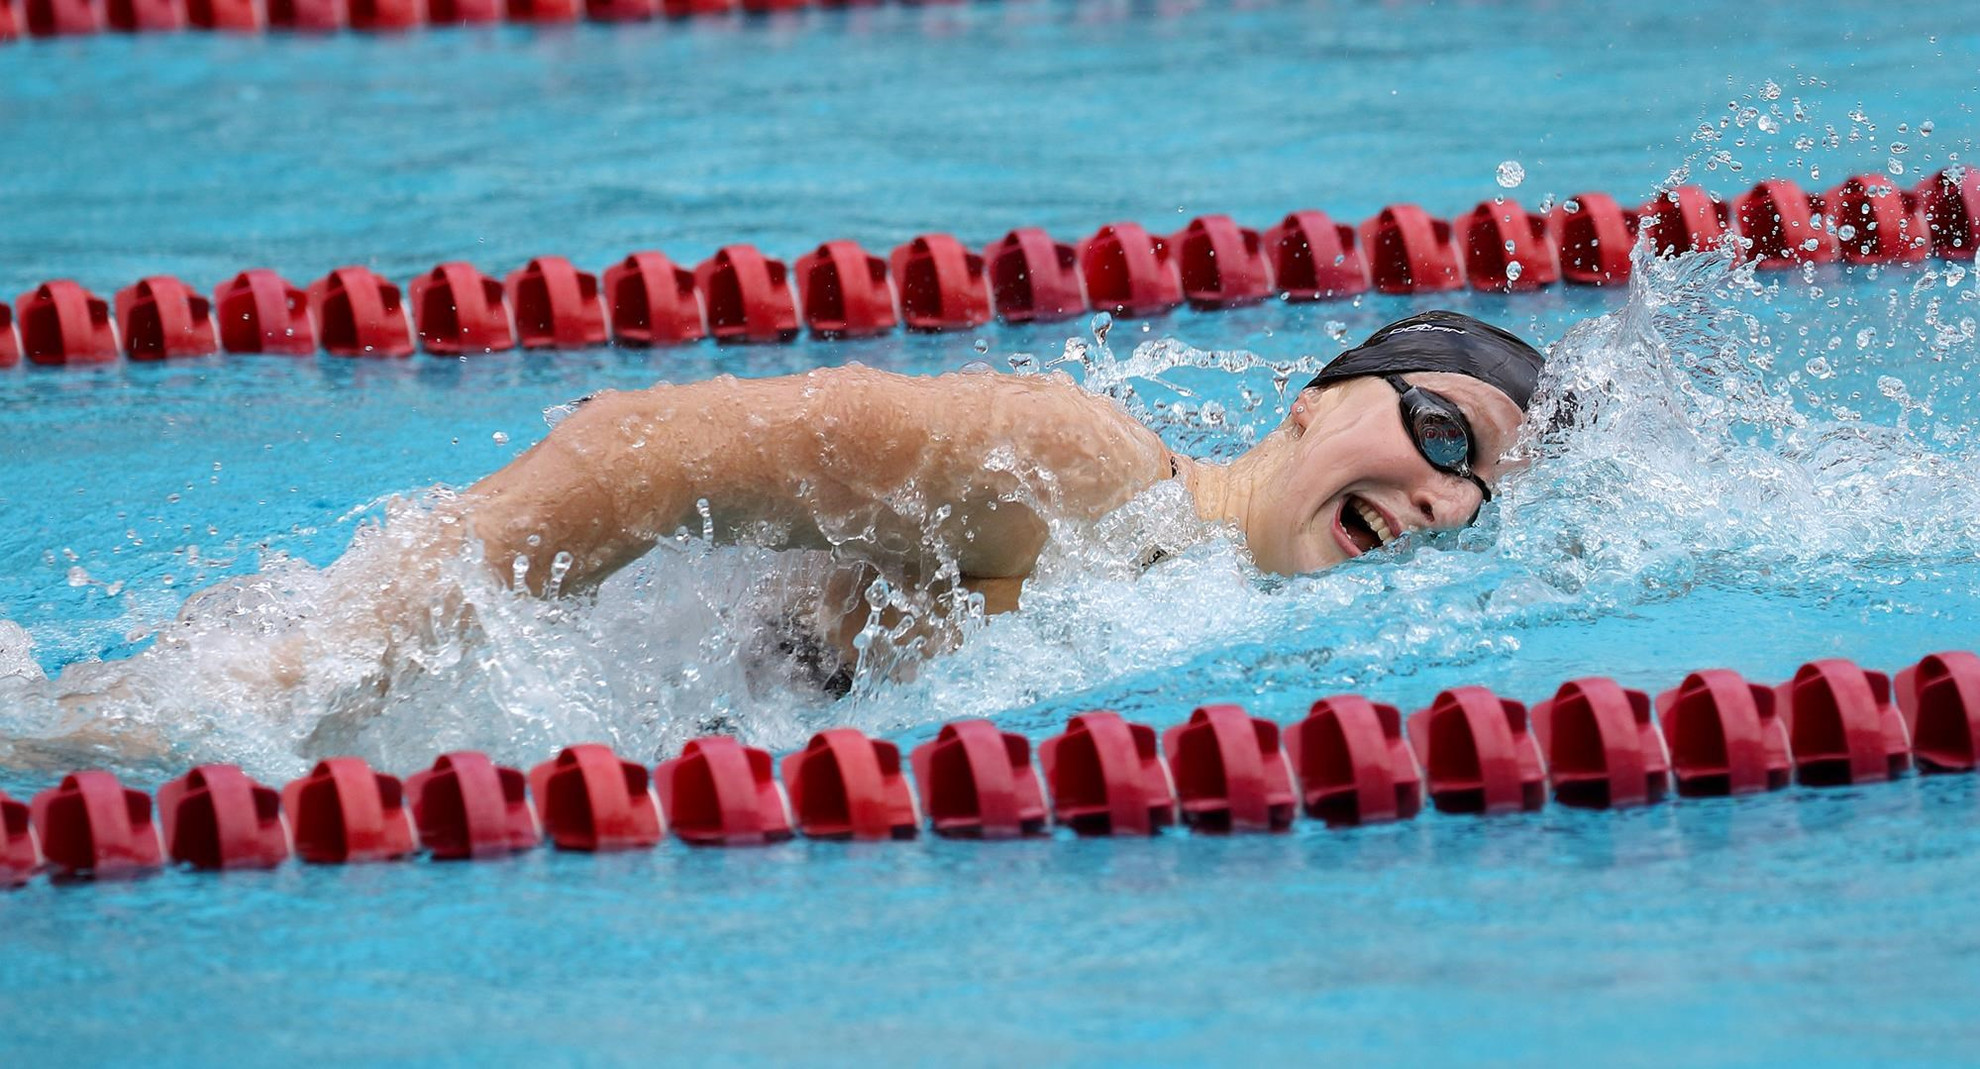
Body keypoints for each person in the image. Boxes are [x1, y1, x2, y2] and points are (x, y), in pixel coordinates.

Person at [457, 309, 1540, 675]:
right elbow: (641, 451)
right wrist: (306, 672)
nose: (1448, 501)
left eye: (1479, 497)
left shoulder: (1218, 612)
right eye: (1447, 437)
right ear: (1315, 400)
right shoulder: (1077, 470)